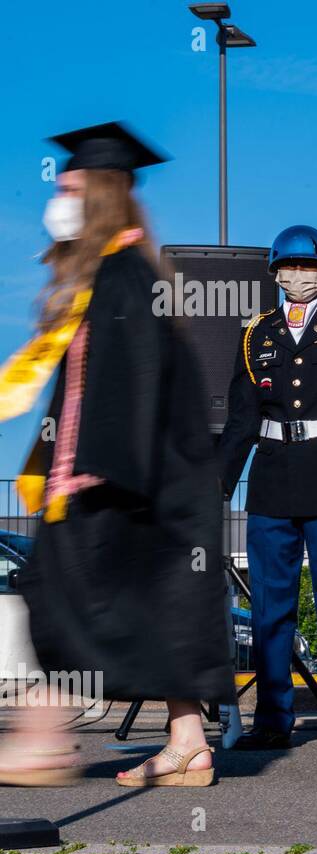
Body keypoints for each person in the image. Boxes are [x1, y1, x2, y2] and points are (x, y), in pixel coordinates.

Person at [0, 122, 234, 788]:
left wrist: (89, 478)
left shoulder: (123, 277)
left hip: (116, 477)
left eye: (69, 186)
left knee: (56, 596)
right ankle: (188, 744)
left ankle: (42, 741)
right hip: (136, 478)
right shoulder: (122, 273)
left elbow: (128, 388)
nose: (57, 199)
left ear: (99, 193)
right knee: (156, 614)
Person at [218, 225, 317, 753]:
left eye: (311, 267)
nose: (301, 275)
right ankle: (272, 717)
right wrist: (216, 489)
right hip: (271, 484)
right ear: (277, 273)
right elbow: (241, 422)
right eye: (292, 266)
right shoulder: (255, 334)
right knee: (270, 609)